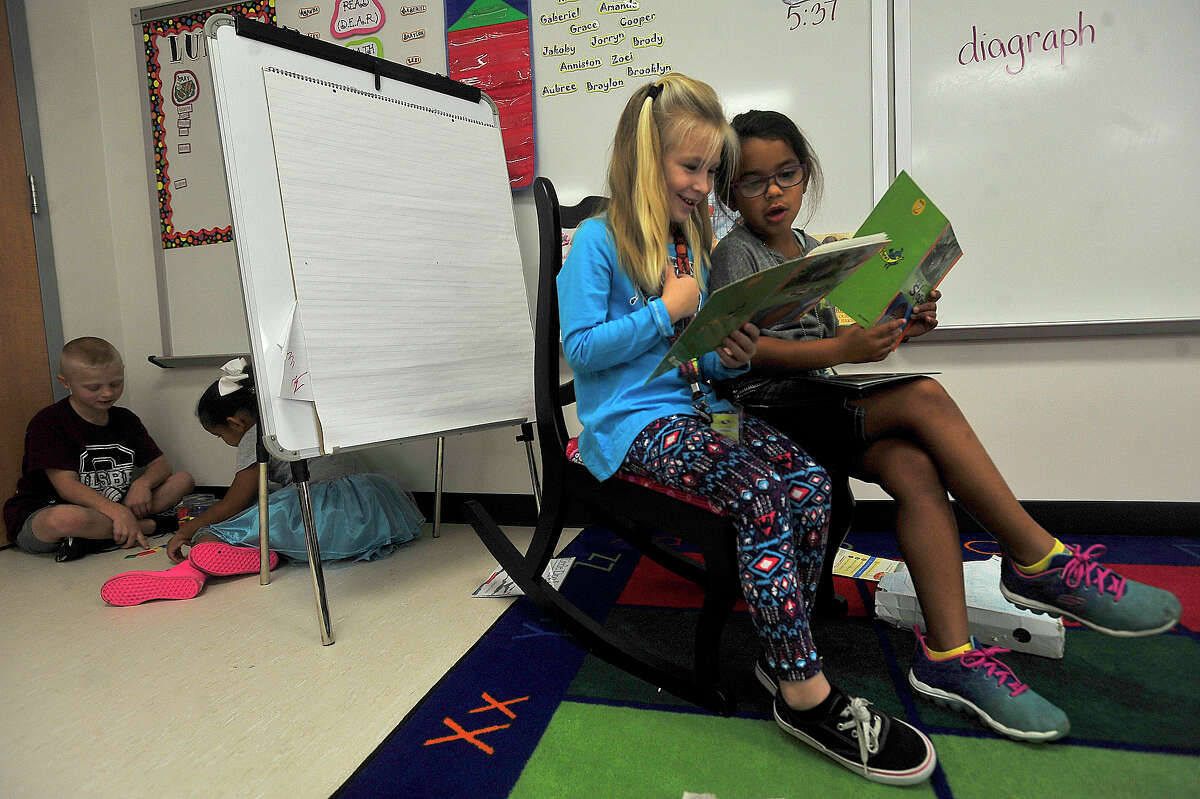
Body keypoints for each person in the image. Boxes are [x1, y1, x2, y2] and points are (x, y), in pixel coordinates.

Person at [710, 109, 1183, 743]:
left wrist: (903, 322)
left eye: (787, 174)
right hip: (755, 409)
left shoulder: (819, 254)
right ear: (728, 191)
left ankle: (950, 656)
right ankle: (1037, 558)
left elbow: (840, 343)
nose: (773, 192)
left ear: (806, 174)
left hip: (814, 401)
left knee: (915, 466)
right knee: (926, 398)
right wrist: (842, 352)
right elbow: (743, 353)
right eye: (752, 181)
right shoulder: (734, 252)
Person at [558, 74, 937, 785]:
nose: (705, 187)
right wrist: (667, 311)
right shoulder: (599, 244)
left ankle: (781, 642)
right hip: (628, 425)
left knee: (811, 480)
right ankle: (804, 692)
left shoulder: (688, 244)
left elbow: (695, 352)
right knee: (759, 489)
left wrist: (721, 346)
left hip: (696, 407)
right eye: (691, 168)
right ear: (645, 161)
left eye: (709, 171)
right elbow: (580, 350)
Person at [99, 358, 424, 606]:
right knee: (273, 509)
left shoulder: (255, 435)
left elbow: (235, 501)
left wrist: (187, 530)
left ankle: (202, 555)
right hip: (370, 514)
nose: (225, 441)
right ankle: (262, 552)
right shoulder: (301, 414)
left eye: (220, 435)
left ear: (236, 421)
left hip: (323, 521)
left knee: (219, 528)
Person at [3, 337, 194, 561]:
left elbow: (161, 465)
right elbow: (67, 487)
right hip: (52, 513)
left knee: (183, 480)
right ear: (65, 382)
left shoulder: (125, 419)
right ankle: (148, 526)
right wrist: (119, 512)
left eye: (115, 384)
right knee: (66, 519)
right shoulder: (49, 422)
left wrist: (143, 484)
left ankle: (99, 535)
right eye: (93, 388)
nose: (107, 393)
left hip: (112, 508)